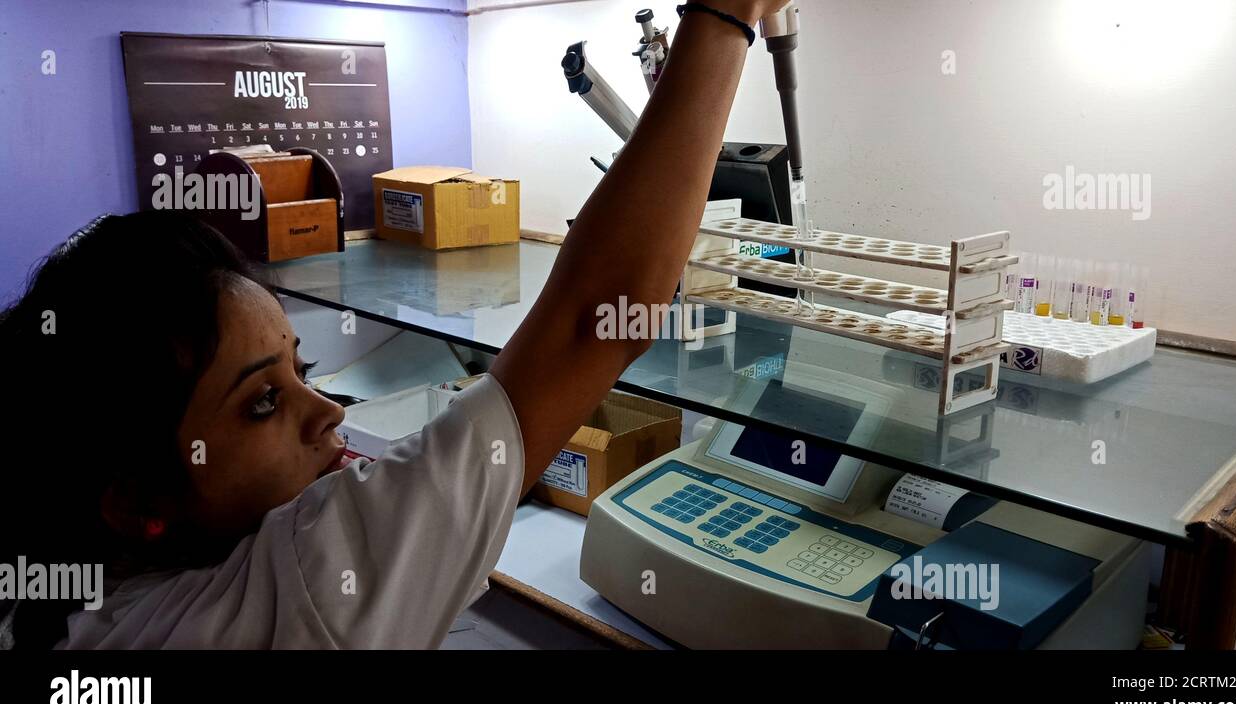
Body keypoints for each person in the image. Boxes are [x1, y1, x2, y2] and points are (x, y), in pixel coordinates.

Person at [0, 0, 789, 649]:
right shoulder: (285, 596)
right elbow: (600, 315)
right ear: (136, 501)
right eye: (262, 403)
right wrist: (728, 17)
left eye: (300, 374)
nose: (329, 413)